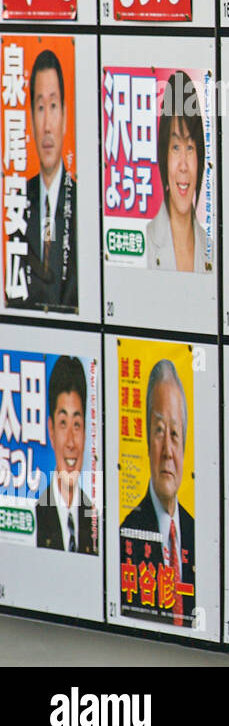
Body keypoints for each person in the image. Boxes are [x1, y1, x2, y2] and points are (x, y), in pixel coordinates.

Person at [119, 359, 195, 624]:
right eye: (159, 431)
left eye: (174, 434)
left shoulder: (198, 533)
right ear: (146, 439)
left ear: (184, 446)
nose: (167, 452)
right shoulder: (125, 533)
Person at [16, 48, 77, 311]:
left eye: (53, 106)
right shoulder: (15, 201)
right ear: (31, 119)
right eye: (40, 108)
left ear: (64, 115)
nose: (47, 125)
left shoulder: (82, 201)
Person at [146, 70, 211, 272]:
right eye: (175, 147)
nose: (183, 165)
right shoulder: (146, 241)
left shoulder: (211, 248)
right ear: (164, 155)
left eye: (190, 148)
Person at [35, 356, 95, 554]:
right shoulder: (36, 514)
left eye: (76, 425)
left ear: (86, 432)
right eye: (63, 423)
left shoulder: (96, 517)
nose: (70, 442)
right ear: (51, 430)